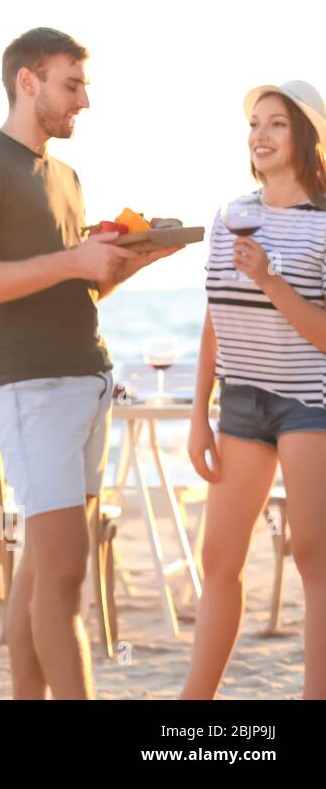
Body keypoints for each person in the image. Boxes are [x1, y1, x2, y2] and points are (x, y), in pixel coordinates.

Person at [0, 27, 180, 699]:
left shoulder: (66, 177)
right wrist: (75, 260)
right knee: (68, 575)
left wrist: (129, 261)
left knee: (39, 575)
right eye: (71, 84)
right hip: (29, 387)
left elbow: (75, 282)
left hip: (87, 379)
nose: (84, 100)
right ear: (28, 80)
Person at [183, 80, 326, 700]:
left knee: (314, 561)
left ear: (306, 139)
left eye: (278, 125)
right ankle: (195, 705)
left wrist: (269, 278)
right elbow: (216, 316)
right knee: (219, 562)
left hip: (308, 403)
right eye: (254, 125)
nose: (260, 136)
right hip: (240, 405)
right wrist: (199, 416)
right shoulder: (230, 216)